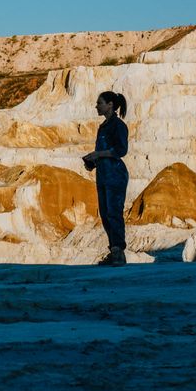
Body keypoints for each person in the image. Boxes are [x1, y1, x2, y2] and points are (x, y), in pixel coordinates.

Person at [83, 90, 129, 266]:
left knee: (113, 212)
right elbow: (104, 153)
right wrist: (92, 161)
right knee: (104, 213)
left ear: (110, 105)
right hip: (103, 174)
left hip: (115, 174)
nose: (97, 106)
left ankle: (119, 252)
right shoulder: (103, 127)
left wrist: (98, 153)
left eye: (99, 103)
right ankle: (113, 249)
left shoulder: (118, 126)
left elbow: (121, 150)